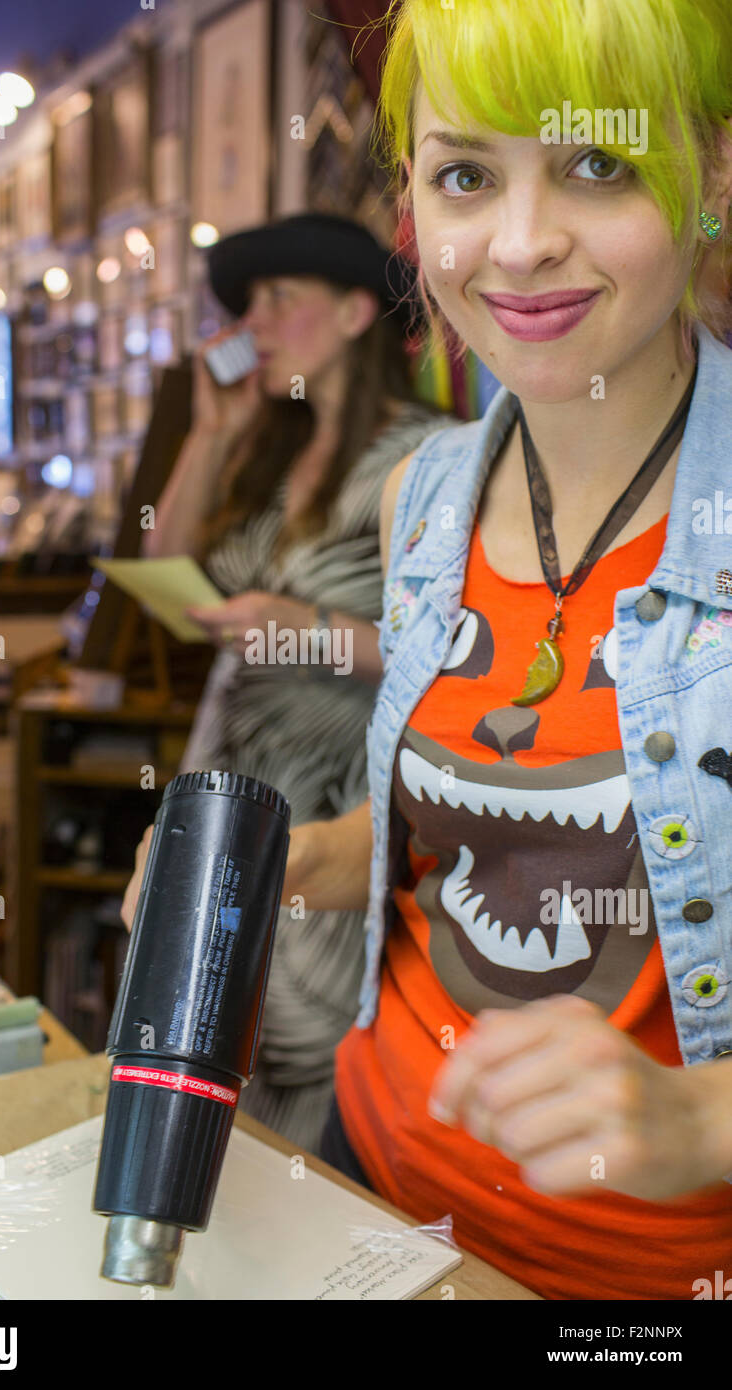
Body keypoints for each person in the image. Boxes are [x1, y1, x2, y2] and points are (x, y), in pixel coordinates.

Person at [277, 0, 732, 1300]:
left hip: (636, 1279)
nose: (520, 244)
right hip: (366, 1197)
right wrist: (292, 861)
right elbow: (472, 835)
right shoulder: (420, 496)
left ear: (710, 175)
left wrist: (699, 1121)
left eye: (596, 162)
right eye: (466, 175)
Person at [123, 213, 447, 1153]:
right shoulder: (272, 448)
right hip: (235, 769)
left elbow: (456, 649)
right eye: (247, 305)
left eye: (277, 299)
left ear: (354, 312)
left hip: (337, 798)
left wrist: (308, 631)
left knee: (299, 1041)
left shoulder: (430, 460)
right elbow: (164, 572)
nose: (251, 324)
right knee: (210, 1025)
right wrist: (211, 433)